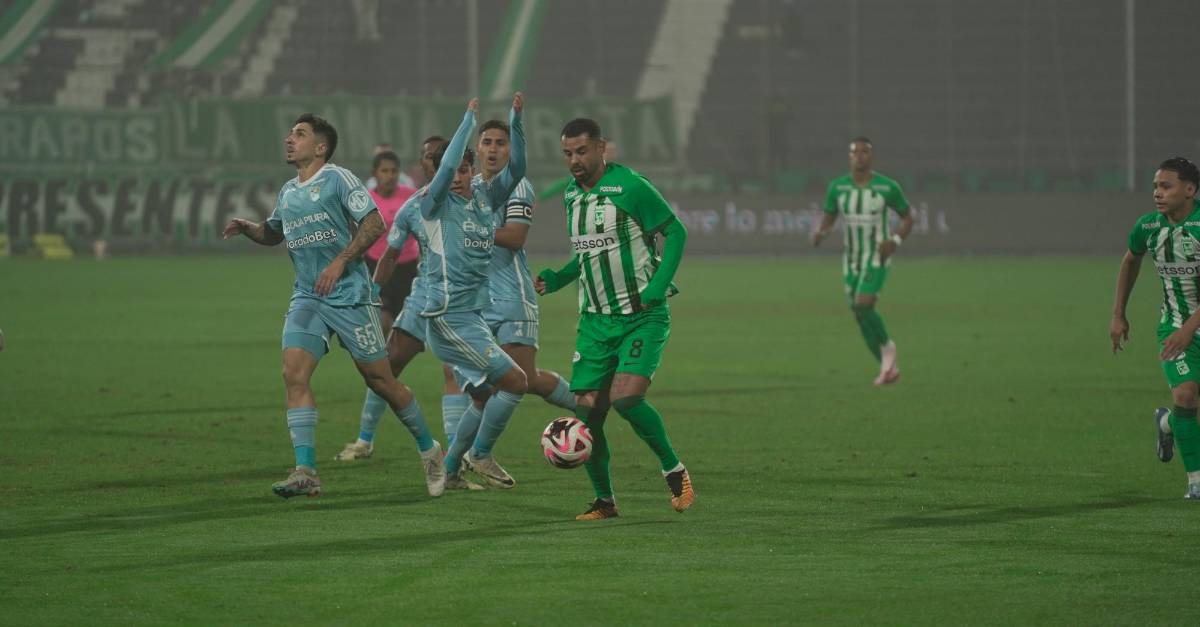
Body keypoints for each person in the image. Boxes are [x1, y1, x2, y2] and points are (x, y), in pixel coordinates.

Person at [221, 113, 444, 499]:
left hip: (350, 296)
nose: (290, 139)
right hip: (308, 296)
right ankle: (306, 471)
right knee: (294, 373)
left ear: (321, 147)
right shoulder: (289, 191)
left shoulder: (339, 179)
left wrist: (340, 261)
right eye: (291, 133)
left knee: (381, 381)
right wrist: (251, 229)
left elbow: (374, 224)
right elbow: (274, 233)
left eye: (300, 134)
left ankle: (430, 450)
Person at [534, 118, 694, 520]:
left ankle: (673, 468)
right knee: (586, 413)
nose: (574, 160)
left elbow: (676, 233)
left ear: (601, 147)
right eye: (567, 153)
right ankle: (605, 502)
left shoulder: (631, 187)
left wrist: (659, 284)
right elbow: (589, 255)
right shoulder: (572, 196)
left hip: (642, 316)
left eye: (581, 151)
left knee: (626, 398)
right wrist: (559, 277)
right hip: (594, 322)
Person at [439, 118, 577, 465]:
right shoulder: (468, 187)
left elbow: (515, 237)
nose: (494, 149)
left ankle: (584, 406)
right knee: (488, 391)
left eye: (501, 143)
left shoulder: (518, 185)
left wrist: (468, 230)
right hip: (476, 303)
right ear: (478, 147)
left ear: (510, 151)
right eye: (487, 142)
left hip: (512, 296)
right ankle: (458, 463)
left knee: (521, 381)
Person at [421, 95, 530, 490]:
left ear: (472, 173)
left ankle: (449, 471)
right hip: (447, 317)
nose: (457, 177)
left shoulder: (485, 198)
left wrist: (516, 122)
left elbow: (517, 167)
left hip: (474, 317)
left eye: (465, 171)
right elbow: (445, 165)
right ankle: (479, 455)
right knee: (517, 382)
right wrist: (467, 123)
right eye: (453, 171)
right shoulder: (435, 205)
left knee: (484, 396)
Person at [1111, 156, 1200, 501]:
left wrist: (1190, 328)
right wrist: (1119, 313)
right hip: (1174, 327)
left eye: (1166, 186)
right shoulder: (1148, 227)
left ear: (1190, 190)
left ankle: (1166, 424)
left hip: (1188, 329)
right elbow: (1131, 259)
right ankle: (1195, 481)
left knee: (1186, 411)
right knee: (1186, 395)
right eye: (1155, 187)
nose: (1157, 194)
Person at [812, 136, 914, 385]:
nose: (860, 156)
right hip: (852, 258)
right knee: (859, 313)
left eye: (865, 152)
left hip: (876, 255)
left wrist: (895, 242)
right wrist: (821, 232)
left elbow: (908, 218)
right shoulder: (838, 187)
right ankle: (887, 368)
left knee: (863, 304)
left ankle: (888, 349)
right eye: (855, 152)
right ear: (849, 157)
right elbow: (829, 214)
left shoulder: (887, 187)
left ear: (871, 156)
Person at [362, 150, 418, 328]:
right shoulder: (365, 200)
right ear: (374, 174)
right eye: (384, 171)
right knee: (383, 320)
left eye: (394, 171)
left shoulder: (412, 196)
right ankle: (381, 355)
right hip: (376, 266)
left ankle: (388, 356)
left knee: (403, 327)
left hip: (407, 267)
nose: (390, 176)